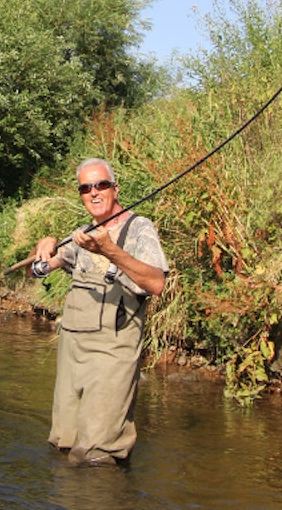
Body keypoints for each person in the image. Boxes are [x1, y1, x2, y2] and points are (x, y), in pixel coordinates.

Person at [28, 157, 169, 466]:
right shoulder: (80, 236)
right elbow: (38, 271)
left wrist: (110, 250)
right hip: (73, 350)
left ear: (115, 189)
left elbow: (156, 283)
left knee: (97, 454)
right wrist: (44, 246)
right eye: (85, 188)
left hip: (113, 351)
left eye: (101, 185)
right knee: (63, 443)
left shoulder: (139, 228)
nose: (94, 192)